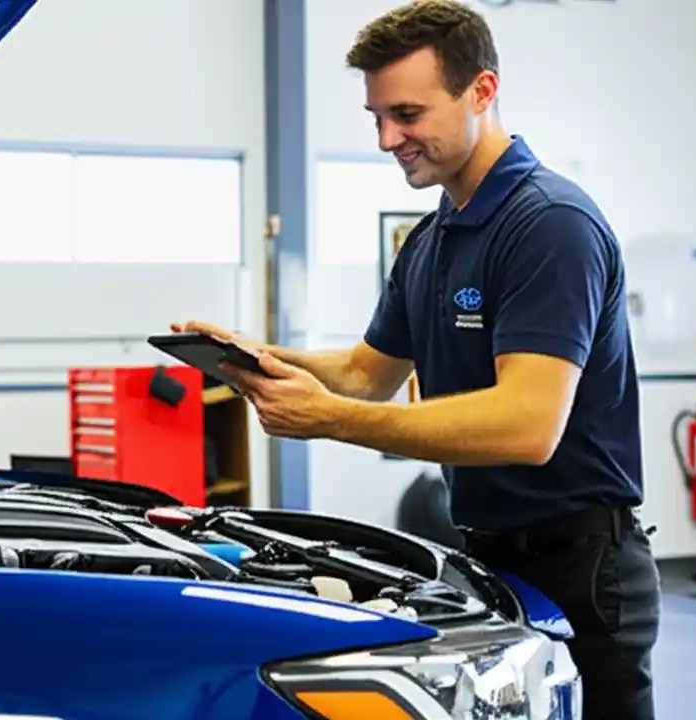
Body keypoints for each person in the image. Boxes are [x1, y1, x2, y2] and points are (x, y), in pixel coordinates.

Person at [172, 1, 659, 718]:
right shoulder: (432, 238)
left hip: (581, 569)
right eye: (376, 117)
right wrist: (254, 357)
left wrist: (329, 422)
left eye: (406, 114)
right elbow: (370, 373)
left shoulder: (550, 225)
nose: (385, 138)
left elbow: (528, 425)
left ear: (481, 92)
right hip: (487, 558)